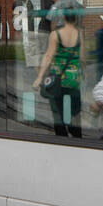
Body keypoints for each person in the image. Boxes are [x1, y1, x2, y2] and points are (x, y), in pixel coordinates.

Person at [32, 9, 84, 137]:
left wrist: (39, 77)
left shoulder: (56, 34)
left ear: (64, 18)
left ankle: (62, 139)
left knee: (57, 113)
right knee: (74, 112)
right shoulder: (79, 34)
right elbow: (82, 57)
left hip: (58, 79)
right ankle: (77, 138)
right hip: (74, 79)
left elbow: (49, 56)